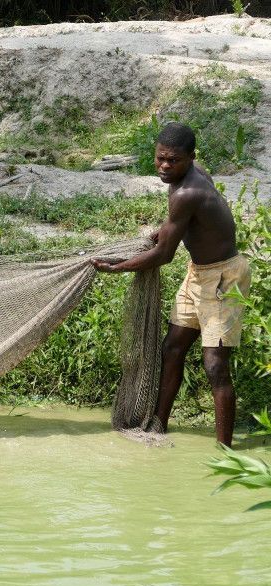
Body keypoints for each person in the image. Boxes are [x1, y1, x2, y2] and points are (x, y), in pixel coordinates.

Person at [92, 123, 251, 446]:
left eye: (173, 161)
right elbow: (183, 224)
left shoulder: (187, 192)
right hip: (198, 273)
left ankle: (225, 452)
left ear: (191, 158)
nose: (165, 166)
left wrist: (118, 267)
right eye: (160, 159)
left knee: (215, 366)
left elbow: (163, 256)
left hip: (224, 278)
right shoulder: (185, 180)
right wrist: (163, 229)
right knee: (172, 348)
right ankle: (158, 426)